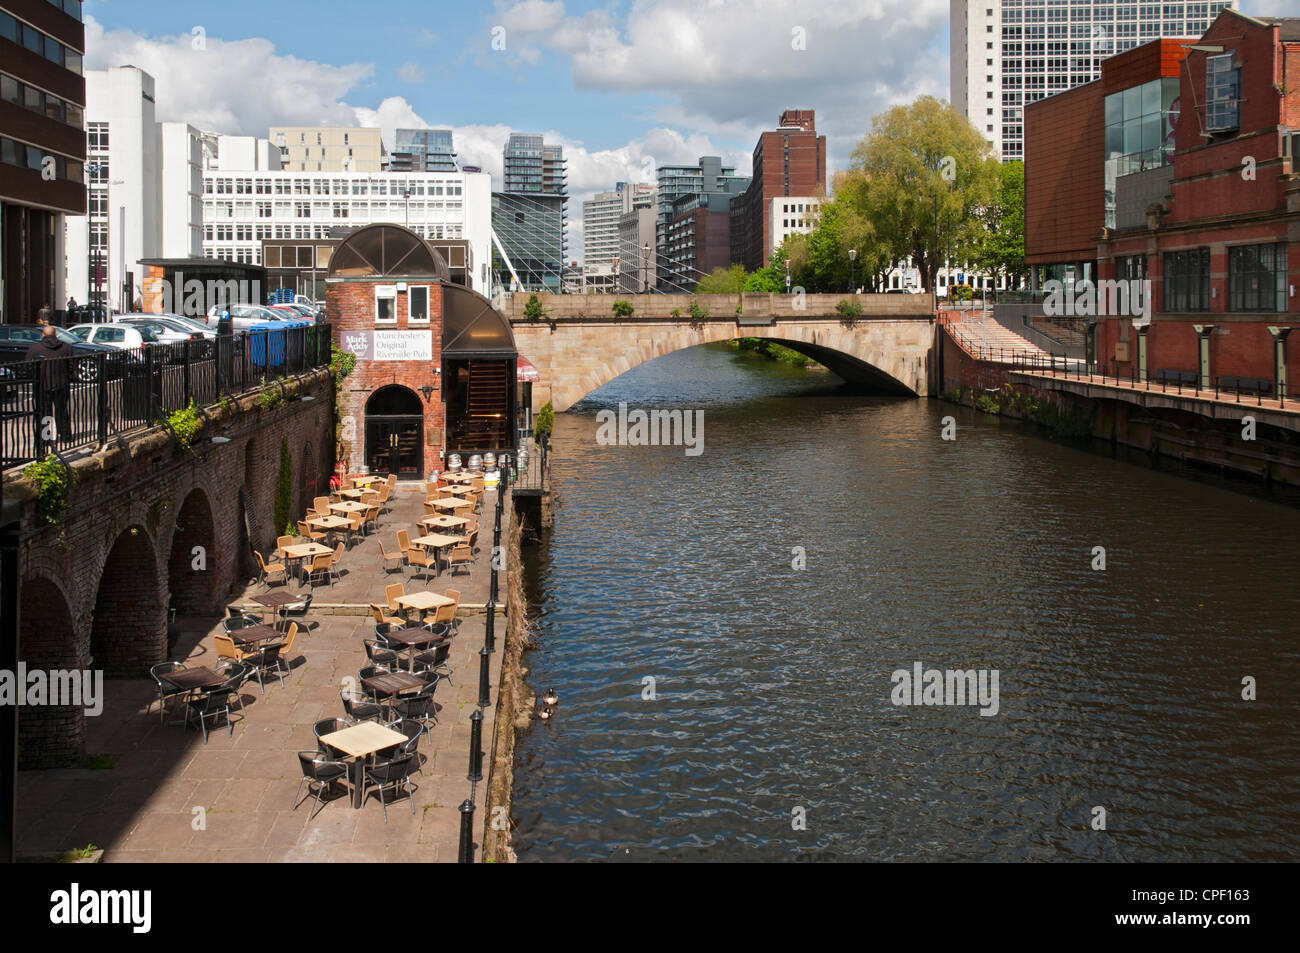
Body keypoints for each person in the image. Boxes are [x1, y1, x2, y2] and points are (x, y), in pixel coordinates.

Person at [24, 325, 73, 444]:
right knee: (61, 411)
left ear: (43, 335)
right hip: (61, 383)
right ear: (56, 334)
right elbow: (71, 366)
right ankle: (65, 436)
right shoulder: (66, 348)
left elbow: (27, 367)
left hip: (42, 384)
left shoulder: (35, 349)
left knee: (44, 412)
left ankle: (45, 438)